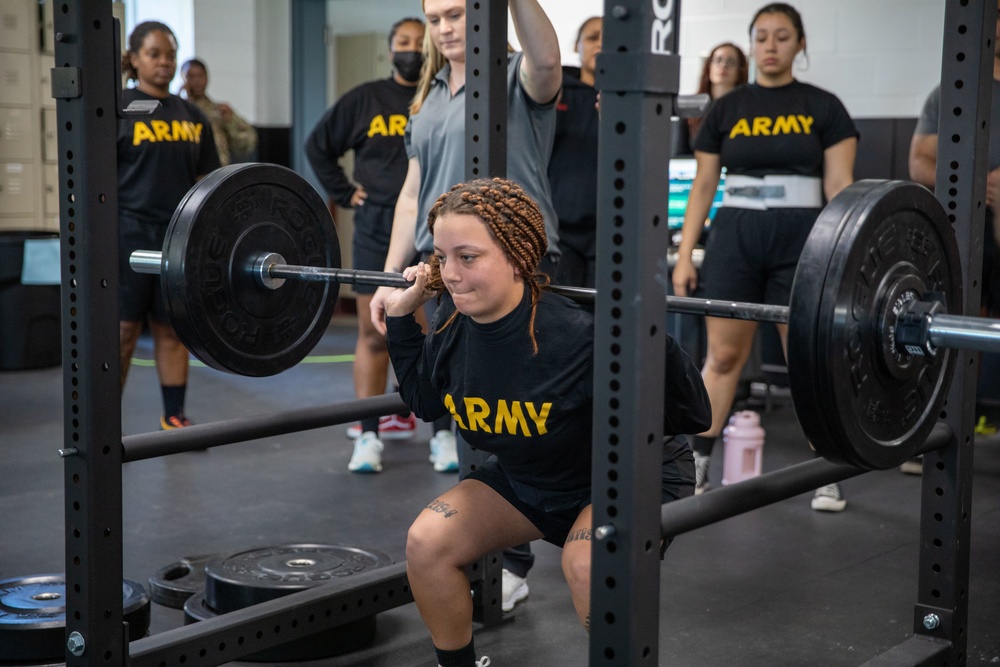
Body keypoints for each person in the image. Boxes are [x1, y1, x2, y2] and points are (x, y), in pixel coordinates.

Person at [382, 177, 711, 667]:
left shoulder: (579, 334)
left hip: (619, 479)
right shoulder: (454, 329)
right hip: (532, 480)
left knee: (587, 565)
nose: (448, 273)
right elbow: (425, 402)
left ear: (517, 255)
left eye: (467, 257)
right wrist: (403, 319)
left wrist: (649, 336)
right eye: (441, 256)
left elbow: (693, 416)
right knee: (427, 542)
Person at [368, 0, 565, 608]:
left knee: (516, 410)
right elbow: (412, 191)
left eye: (460, 12)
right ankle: (481, 554)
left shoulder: (513, 76)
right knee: (465, 409)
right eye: (436, 17)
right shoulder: (426, 98)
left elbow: (549, 60)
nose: (448, 26)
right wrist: (387, 273)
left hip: (513, 266)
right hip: (442, 269)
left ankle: (513, 561)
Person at [671, 3, 858, 510]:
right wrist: (687, 254)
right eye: (761, 37)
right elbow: (705, 184)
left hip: (804, 238)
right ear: (752, 45)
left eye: (781, 37)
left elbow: (840, 186)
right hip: (735, 235)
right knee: (724, 357)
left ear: (800, 45)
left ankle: (828, 470)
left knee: (807, 359)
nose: (770, 46)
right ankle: (699, 465)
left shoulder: (825, 107)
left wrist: (841, 253)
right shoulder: (727, 108)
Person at [305, 17, 427, 473]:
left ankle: (444, 435)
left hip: (436, 226)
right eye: (403, 42)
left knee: (436, 332)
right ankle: (368, 434)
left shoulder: (438, 94)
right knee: (373, 333)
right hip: (378, 224)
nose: (411, 49)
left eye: (419, 42)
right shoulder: (367, 99)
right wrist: (343, 190)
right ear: (391, 48)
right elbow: (317, 145)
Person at [908, 0, 1000, 468]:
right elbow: (920, 162)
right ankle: (943, 431)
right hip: (973, 226)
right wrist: (979, 184)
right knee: (966, 327)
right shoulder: (954, 91)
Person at [117, 21, 221, 429]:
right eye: (154, 54)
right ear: (135, 58)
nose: (164, 62)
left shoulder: (192, 115)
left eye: (169, 55)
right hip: (127, 233)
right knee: (123, 331)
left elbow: (206, 179)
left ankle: (173, 416)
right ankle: (105, 419)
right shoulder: (117, 108)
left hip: (176, 238)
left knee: (171, 328)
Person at [547, 16, 601, 288]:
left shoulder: (633, 100)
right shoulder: (556, 91)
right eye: (593, 37)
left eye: (610, 38)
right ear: (577, 45)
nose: (602, 43)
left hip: (610, 229)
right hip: (560, 229)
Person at [179, 58, 257, 166]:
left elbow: (246, 145)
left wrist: (230, 121)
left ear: (207, 78)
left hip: (216, 174)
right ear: (183, 79)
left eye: (200, 76)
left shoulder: (219, 111)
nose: (196, 81)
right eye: (191, 76)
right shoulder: (175, 110)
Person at [676, 42, 749, 155]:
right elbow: (681, 155)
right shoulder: (693, 106)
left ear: (740, 69)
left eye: (730, 61)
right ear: (709, 66)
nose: (723, 65)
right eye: (718, 60)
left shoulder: (748, 107)